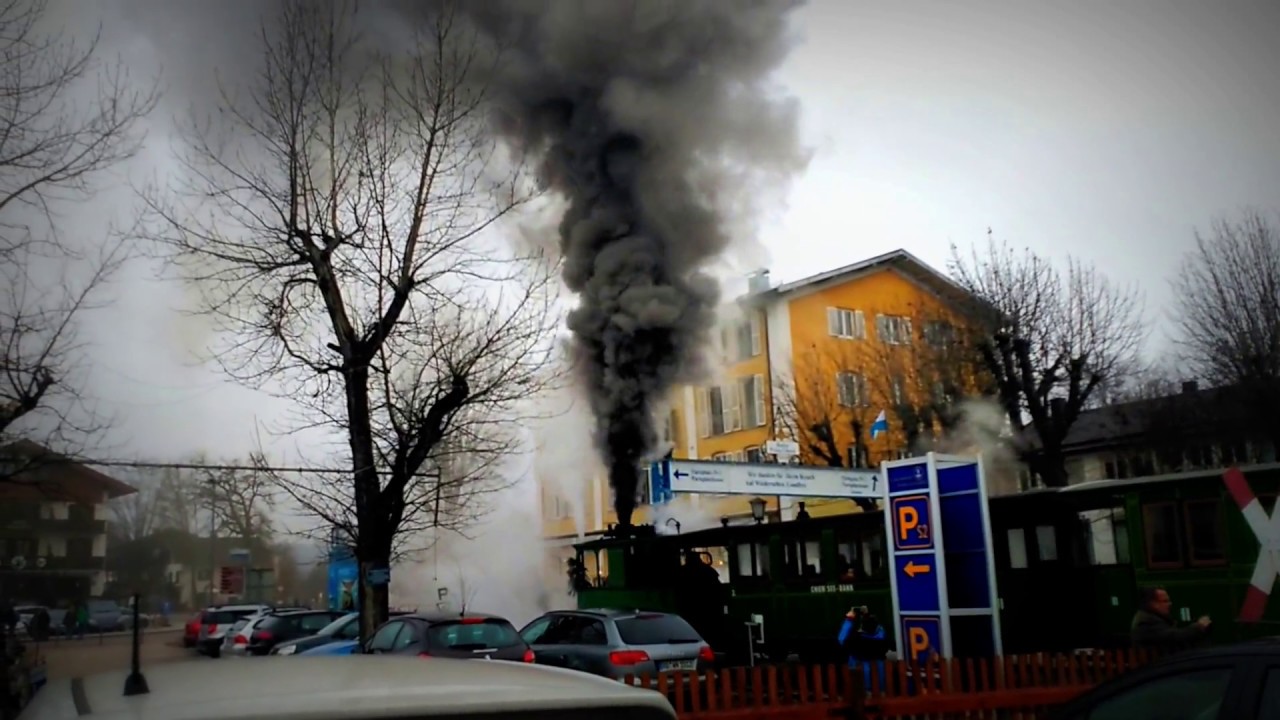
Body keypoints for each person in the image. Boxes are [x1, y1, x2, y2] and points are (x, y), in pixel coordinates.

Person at [1131, 587, 1210, 653]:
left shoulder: (1153, 618)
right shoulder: (1145, 623)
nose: (1170, 604)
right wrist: (1199, 627)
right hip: (1158, 667)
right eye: (1165, 601)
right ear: (1153, 604)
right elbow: (1173, 636)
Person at [838, 606, 887, 691]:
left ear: (862, 628)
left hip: (861, 689)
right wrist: (866, 615)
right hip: (880, 688)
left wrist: (849, 619)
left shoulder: (857, 640)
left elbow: (841, 638)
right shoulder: (881, 637)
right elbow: (878, 629)